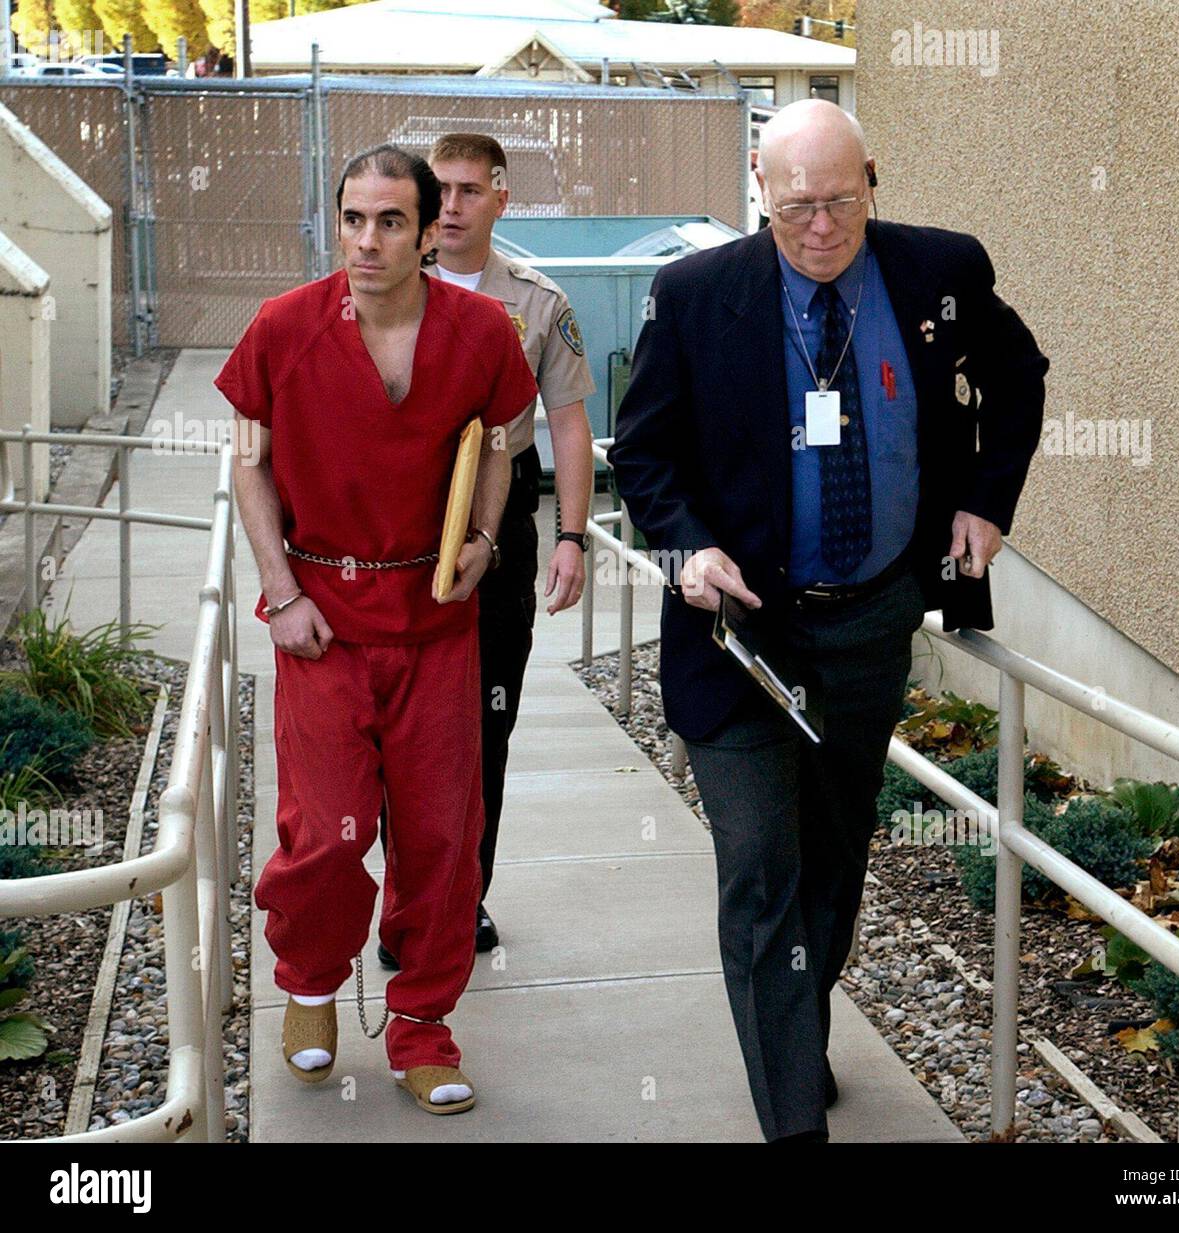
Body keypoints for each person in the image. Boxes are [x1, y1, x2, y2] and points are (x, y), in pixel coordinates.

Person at [607, 98, 1048, 1142]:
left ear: (872, 181)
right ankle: (793, 1118)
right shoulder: (694, 294)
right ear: (758, 186)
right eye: (797, 204)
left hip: (870, 622)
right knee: (763, 865)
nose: (819, 226)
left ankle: (789, 1031)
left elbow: (1019, 376)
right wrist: (686, 550)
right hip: (740, 632)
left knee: (836, 854)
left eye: (840, 202)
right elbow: (645, 454)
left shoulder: (941, 270)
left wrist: (985, 500)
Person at [216, 144, 537, 1115]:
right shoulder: (282, 328)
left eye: (389, 221)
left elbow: (500, 444)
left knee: (442, 838)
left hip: (436, 625)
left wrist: (481, 539)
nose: (367, 239)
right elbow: (246, 464)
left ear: (429, 226)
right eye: (353, 218)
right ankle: (310, 989)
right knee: (323, 836)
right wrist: (281, 593)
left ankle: (422, 1028)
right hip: (321, 626)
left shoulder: (482, 330)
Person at [375, 132, 595, 968]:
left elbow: (568, 422)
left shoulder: (536, 303)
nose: (455, 207)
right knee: (400, 729)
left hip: (500, 525)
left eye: (473, 190)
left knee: (482, 723)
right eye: (444, 190)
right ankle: (408, 898)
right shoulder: (390, 286)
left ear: (502, 198)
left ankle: (463, 896)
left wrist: (572, 537)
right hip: (399, 525)